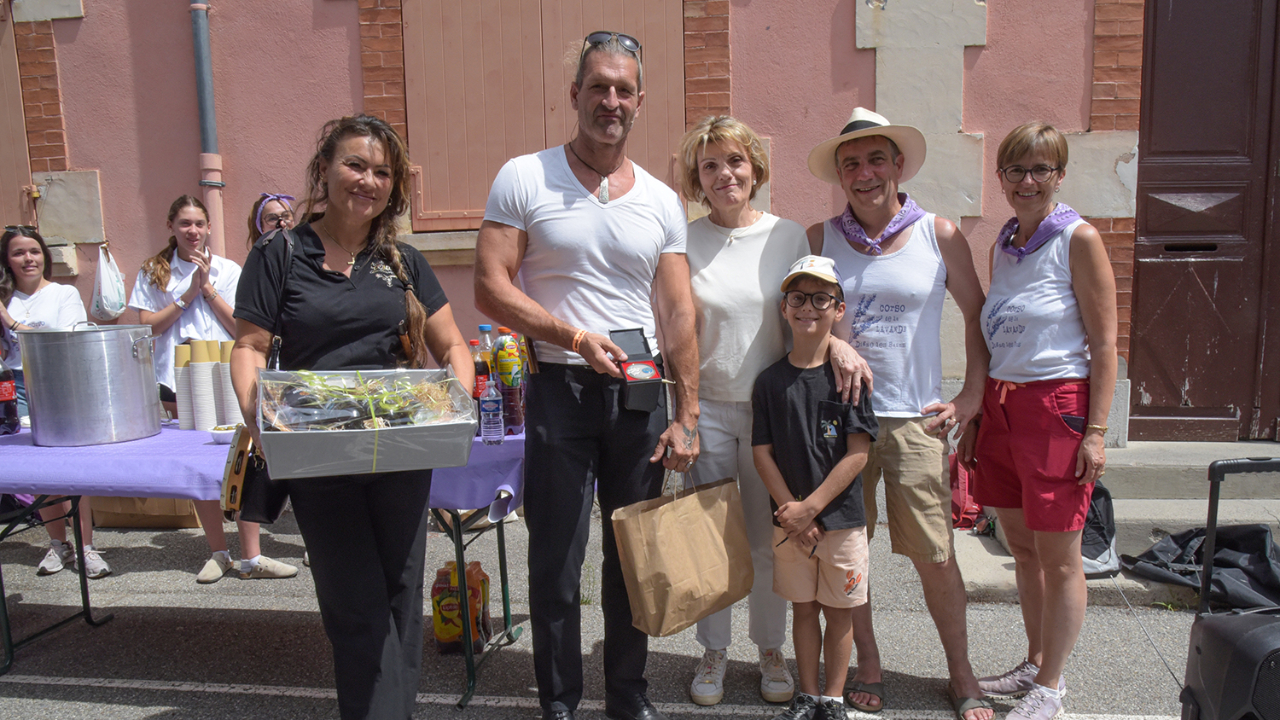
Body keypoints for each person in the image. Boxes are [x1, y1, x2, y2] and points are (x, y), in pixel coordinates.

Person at [474, 31, 698, 720]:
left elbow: (678, 309)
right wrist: (570, 335)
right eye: (598, 86)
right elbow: (489, 287)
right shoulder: (524, 175)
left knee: (635, 558)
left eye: (624, 89)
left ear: (639, 101)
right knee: (557, 564)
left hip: (639, 393)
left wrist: (687, 415)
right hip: (559, 389)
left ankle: (628, 694)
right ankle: (560, 702)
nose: (611, 101)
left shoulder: (661, 200)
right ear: (574, 94)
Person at [232, 115, 473, 720]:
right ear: (325, 169)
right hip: (318, 450)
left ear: (394, 187)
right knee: (353, 605)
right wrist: (258, 414)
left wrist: (453, 405)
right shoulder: (280, 253)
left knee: (398, 594)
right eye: (355, 165)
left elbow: (455, 348)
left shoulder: (403, 261)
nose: (367, 180)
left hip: (400, 450)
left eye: (382, 172)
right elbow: (250, 347)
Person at [676, 115, 872, 707]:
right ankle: (714, 650)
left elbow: (811, 302)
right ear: (697, 178)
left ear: (754, 169)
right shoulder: (683, 241)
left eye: (735, 161)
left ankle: (769, 647)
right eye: (710, 165)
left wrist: (839, 342)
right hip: (707, 409)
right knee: (714, 540)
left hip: (776, 415)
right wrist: (680, 411)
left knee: (770, 540)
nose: (724, 174)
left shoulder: (788, 235)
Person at [806, 108, 993, 720]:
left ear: (899, 166)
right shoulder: (820, 240)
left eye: (876, 159)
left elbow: (976, 313)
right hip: (841, 420)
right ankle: (868, 663)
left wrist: (970, 396)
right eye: (851, 163)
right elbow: (803, 318)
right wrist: (831, 340)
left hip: (915, 420)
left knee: (934, 554)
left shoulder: (937, 233)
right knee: (847, 553)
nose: (864, 173)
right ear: (840, 174)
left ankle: (961, 673)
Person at [965, 122, 1117, 720]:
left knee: (1060, 557)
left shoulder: (1077, 238)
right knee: (1022, 549)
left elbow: (1105, 345)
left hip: (1056, 404)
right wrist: (979, 410)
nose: (1027, 181)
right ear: (1000, 176)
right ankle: (1034, 660)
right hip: (1003, 404)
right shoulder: (1006, 240)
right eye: (1015, 170)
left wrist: (1097, 431)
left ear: (1059, 176)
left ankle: (1052, 686)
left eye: (1040, 170)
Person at [130, 195, 297, 584]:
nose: (193, 231)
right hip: (179, 381)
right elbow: (148, 328)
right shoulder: (154, 272)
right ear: (171, 226)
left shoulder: (230, 270)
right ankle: (218, 552)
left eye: (199, 224)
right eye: (185, 223)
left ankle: (252, 555)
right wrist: (187, 292)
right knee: (201, 466)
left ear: (209, 228)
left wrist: (208, 290)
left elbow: (243, 328)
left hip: (228, 379)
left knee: (244, 460)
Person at [753, 255, 878, 720]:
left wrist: (812, 508)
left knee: (839, 612)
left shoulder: (850, 377)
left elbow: (858, 453)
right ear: (784, 308)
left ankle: (832, 699)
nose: (809, 308)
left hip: (841, 523)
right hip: (790, 523)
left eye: (821, 299)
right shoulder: (769, 382)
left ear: (838, 309)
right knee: (803, 610)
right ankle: (807, 694)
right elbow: (761, 452)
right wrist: (792, 509)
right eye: (798, 298)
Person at [0, 226, 109, 579]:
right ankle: (58, 544)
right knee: (40, 473)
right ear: (7, 260)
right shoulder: (6, 296)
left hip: (58, 386)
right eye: (19, 253)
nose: (28, 259)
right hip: (15, 387)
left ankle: (87, 546)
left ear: (44, 255)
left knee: (70, 471)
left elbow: (63, 341)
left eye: (34, 251)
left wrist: (9, 319)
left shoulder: (62, 294)